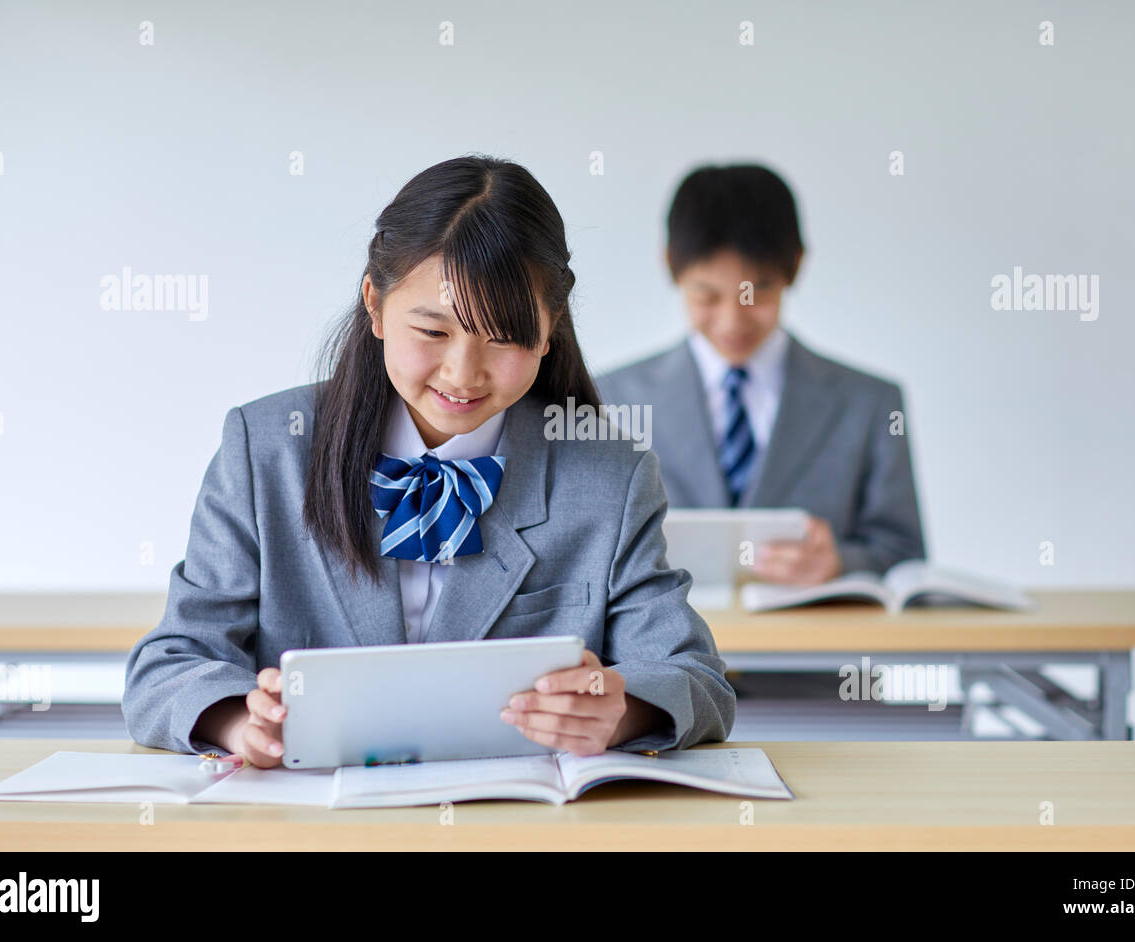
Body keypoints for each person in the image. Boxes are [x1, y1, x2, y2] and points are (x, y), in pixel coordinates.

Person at [122, 155, 735, 767]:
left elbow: (698, 680)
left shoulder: (609, 477)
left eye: (503, 337)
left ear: (549, 332)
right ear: (375, 304)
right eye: (434, 332)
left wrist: (620, 709)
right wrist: (238, 721)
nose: (462, 374)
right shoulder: (265, 449)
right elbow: (166, 668)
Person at [598, 164, 925, 586]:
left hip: (815, 649)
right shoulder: (608, 399)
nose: (733, 321)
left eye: (759, 291)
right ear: (670, 268)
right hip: (661, 649)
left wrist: (840, 563)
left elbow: (906, 554)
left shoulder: (870, 403)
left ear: (797, 268)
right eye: (707, 295)